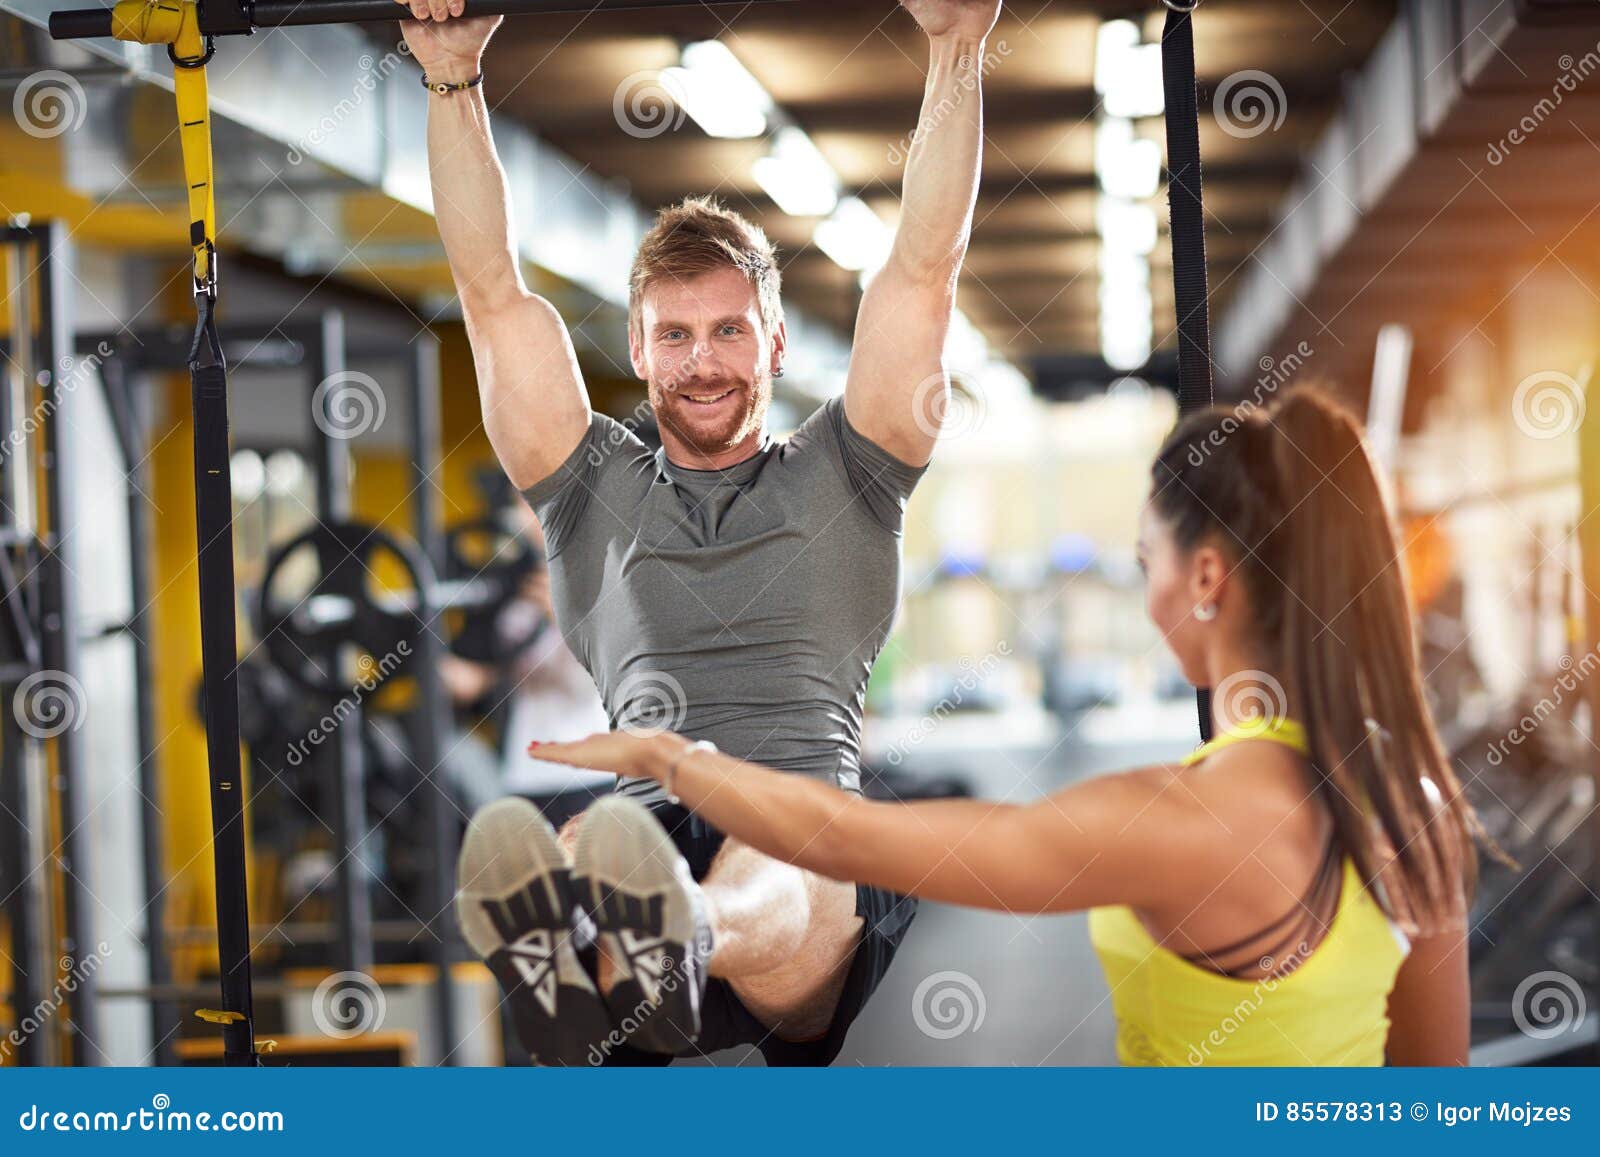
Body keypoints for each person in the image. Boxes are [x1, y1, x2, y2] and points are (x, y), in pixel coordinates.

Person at [532, 387, 1492, 1067]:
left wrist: (676, 759)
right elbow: (1429, 1092)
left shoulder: (1183, 819)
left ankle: (686, 924)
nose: (1143, 589)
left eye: (1144, 557)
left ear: (1205, 578)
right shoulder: (1413, 798)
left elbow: (859, 836)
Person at [395, 0, 1002, 1065]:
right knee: (590, 838)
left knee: (782, 847)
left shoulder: (852, 467)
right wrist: (452, 76)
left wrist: (957, 48)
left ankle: (671, 933)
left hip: (810, 854)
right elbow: (491, 293)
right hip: (648, 832)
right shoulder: (586, 489)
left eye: (728, 329)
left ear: (773, 343)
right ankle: (598, 939)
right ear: (636, 345)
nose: (702, 358)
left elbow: (922, 267)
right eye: (674, 333)